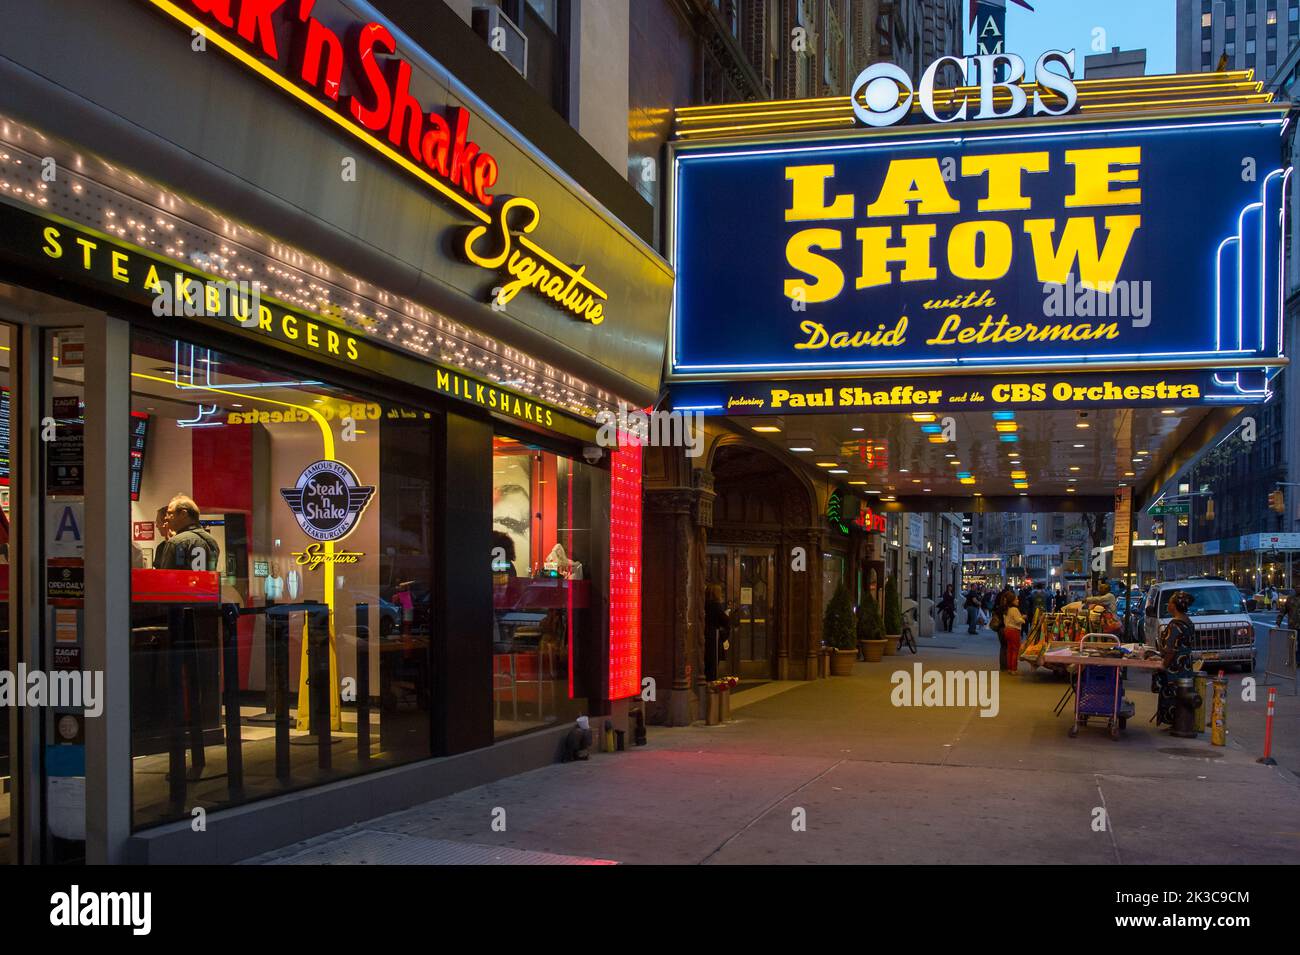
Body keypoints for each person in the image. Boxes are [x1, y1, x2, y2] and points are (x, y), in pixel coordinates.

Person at [1154, 591, 1196, 726]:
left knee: (1173, 696)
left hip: (1175, 668)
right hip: (1185, 666)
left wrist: (1163, 665)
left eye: (1170, 602)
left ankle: (1176, 722)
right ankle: (1180, 722)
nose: (1168, 604)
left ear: (1174, 605)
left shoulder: (1175, 625)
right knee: (1181, 695)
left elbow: (1171, 650)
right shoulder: (1188, 621)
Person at [156, 495, 220, 570]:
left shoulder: (176, 542)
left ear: (183, 514)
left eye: (170, 513)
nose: (166, 518)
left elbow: (168, 577)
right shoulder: (212, 541)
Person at [704, 584, 730, 682]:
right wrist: (727, 615)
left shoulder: (703, 604)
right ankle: (711, 684)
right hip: (713, 636)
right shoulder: (716, 605)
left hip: (704, 635)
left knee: (706, 661)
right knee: (712, 662)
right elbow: (725, 621)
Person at [1003, 594, 1026, 675]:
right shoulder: (1014, 609)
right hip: (1014, 630)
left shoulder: (1007, 609)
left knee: (1009, 649)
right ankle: (1014, 669)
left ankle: (1009, 668)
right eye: (1016, 599)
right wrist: (1023, 619)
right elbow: (1017, 620)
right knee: (1015, 650)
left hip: (1007, 630)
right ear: (1012, 601)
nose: (1018, 600)